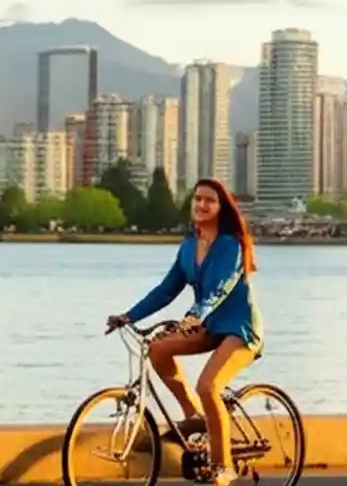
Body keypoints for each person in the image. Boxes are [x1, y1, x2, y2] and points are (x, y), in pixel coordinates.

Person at [106, 178, 263, 486]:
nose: (202, 205)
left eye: (210, 200)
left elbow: (221, 288)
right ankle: (195, 417)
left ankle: (224, 468)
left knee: (209, 386)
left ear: (221, 208)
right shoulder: (188, 248)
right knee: (158, 349)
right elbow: (166, 290)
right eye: (198, 199)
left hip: (239, 330)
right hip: (209, 327)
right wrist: (128, 315)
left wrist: (194, 315)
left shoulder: (231, 245)